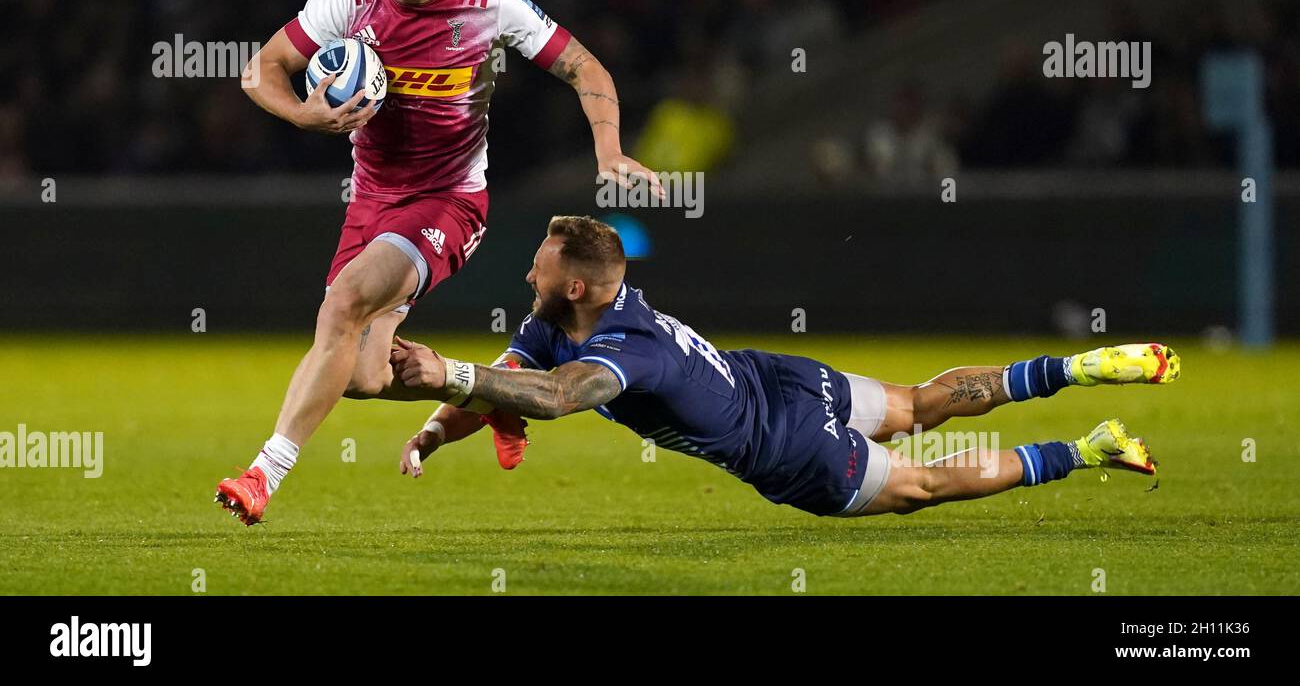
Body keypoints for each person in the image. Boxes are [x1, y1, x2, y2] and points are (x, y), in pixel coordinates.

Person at [214, 0, 660, 526]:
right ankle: (489, 395)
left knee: (341, 306)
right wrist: (304, 116)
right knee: (362, 376)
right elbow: (261, 69)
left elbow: (582, 66)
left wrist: (609, 149)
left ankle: (263, 474)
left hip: (447, 202)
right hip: (369, 202)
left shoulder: (487, 1)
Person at [392, 216, 1179, 517]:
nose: (526, 278)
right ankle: (1074, 368)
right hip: (779, 377)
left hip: (789, 450)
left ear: (572, 285)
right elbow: (513, 373)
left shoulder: (622, 350)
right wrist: (435, 428)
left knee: (923, 483)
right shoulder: (571, 312)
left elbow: (558, 398)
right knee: (919, 401)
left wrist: (449, 374)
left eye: (536, 268)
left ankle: (1087, 449)